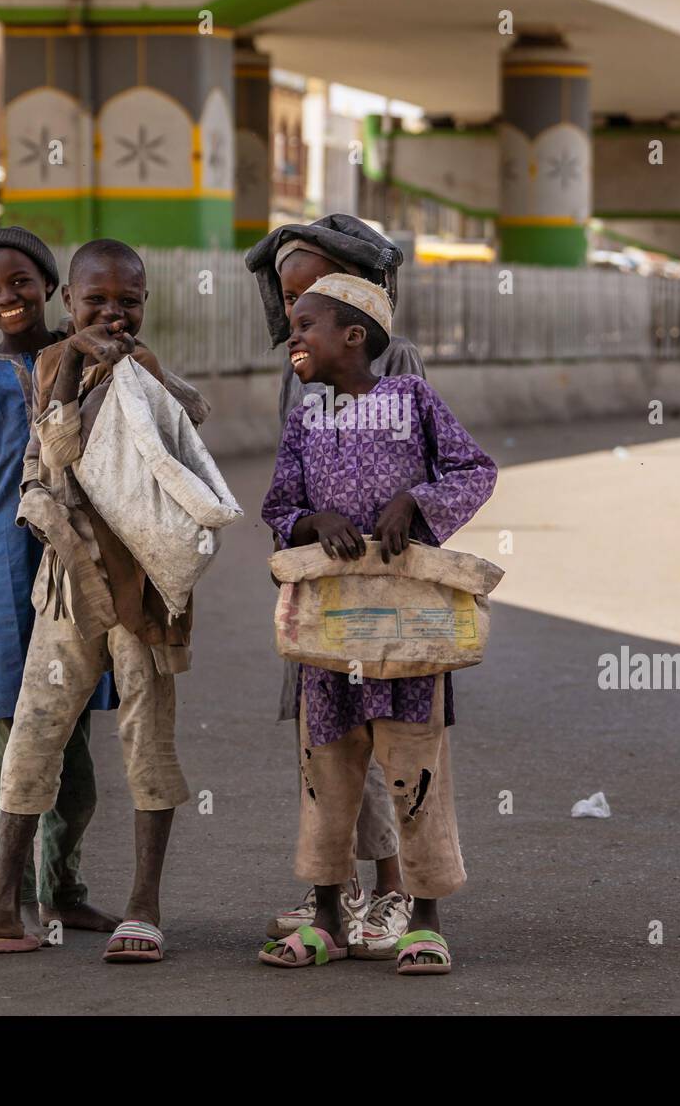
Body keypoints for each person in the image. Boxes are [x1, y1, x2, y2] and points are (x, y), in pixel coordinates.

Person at [0, 239, 204, 962]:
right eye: (97, 301)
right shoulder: (47, 367)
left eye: (128, 302)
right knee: (26, 742)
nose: (112, 313)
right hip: (59, 587)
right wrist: (76, 364)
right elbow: (54, 454)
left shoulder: (142, 368)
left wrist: (146, 371)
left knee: (143, 742)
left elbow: (192, 421)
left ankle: (139, 907)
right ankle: (3, 906)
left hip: (142, 589)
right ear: (69, 301)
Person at [259, 274, 497, 975]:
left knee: (415, 768)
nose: (293, 337)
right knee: (324, 772)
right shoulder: (305, 417)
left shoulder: (413, 399)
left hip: (408, 627)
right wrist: (312, 521)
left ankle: (425, 920)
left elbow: (474, 469)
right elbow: (278, 508)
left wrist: (414, 503)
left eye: (306, 325)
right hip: (330, 628)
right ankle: (328, 916)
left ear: (354, 336)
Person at [0, 226, 119, 939]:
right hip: (4, 582)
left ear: (50, 286)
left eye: (20, 283)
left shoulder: (91, 356)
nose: (6, 298)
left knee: (75, 749)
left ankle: (63, 888)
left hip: (80, 574)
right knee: (9, 739)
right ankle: (6, 896)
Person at [245, 215, 423, 958]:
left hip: (381, 590)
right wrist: (306, 524)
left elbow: (426, 470)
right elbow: (287, 489)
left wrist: (399, 511)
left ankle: (394, 889)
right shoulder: (301, 368)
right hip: (317, 587)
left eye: (314, 291)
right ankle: (335, 891)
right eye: (290, 297)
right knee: (322, 739)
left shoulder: (399, 363)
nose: (298, 310)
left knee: (383, 733)